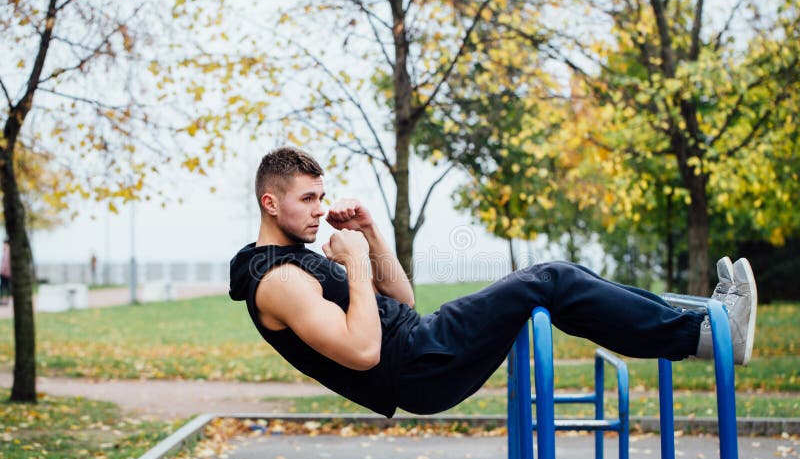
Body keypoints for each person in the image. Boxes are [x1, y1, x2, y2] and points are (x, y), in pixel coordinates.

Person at [229, 147, 758, 418]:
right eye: (307, 200)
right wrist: (357, 263)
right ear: (269, 203)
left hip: (423, 342)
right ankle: (704, 334)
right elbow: (364, 351)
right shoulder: (276, 279)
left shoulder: (296, 255)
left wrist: (369, 233)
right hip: (417, 365)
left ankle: (700, 325)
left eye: (322, 197)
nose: (320, 210)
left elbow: (403, 300)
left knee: (561, 283)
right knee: (547, 278)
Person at [0, 239, 11, 306]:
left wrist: (1, 271)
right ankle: (5, 300)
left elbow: (5, 263)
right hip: (7, 273)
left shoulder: (7, 251)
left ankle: (4, 300)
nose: (3, 245)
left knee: (4, 286)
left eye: (4, 244)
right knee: (5, 286)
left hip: (5, 273)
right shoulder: (7, 251)